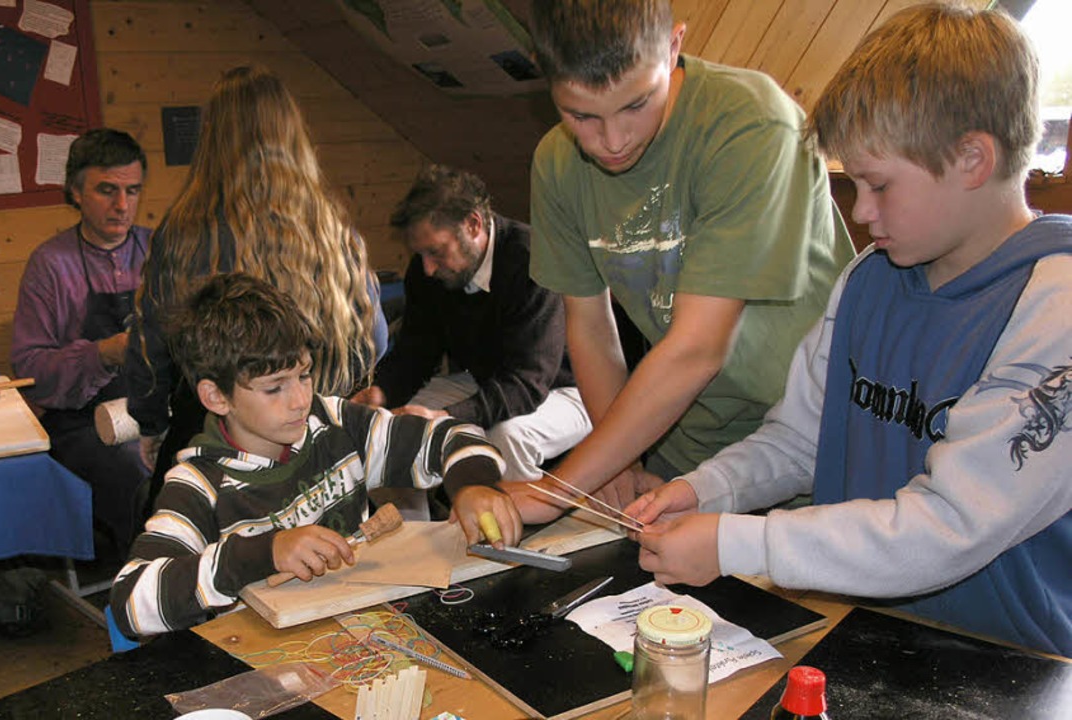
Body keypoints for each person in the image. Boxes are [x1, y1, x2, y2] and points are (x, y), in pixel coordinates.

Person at [628, 3, 1072, 657]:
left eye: (879, 185)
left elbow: (948, 525)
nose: (860, 212)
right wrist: (706, 490)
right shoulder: (869, 279)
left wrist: (735, 543)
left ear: (974, 159)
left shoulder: (1053, 307)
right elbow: (801, 439)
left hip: (1011, 661)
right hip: (855, 628)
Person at [511, 0, 854, 523]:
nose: (612, 141)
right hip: (685, 442)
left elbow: (698, 348)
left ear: (674, 47)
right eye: (581, 115)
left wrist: (554, 491)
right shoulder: (556, 164)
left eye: (636, 104)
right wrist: (617, 462)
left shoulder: (749, 123)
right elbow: (591, 327)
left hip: (810, 442)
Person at [110, 274, 521, 637]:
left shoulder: (334, 424)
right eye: (275, 388)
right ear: (217, 396)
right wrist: (264, 552)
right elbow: (130, 603)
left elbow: (453, 435)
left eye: (304, 375)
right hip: (265, 664)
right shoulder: (199, 486)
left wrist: (473, 486)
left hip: (363, 634)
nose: (300, 400)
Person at [127, 66, 388, 510]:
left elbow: (152, 349)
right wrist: (319, 391)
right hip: (318, 438)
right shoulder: (329, 226)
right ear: (293, 134)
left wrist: (150, 424)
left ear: (211, 138)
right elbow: (374, 343)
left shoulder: (184, 229)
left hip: (222, 443)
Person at [352, 164, 590, 497]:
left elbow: (527, 382)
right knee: (388, 431)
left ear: (474, 224)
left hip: (568, 389)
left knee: (508, 437)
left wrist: (447, 416)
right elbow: (416, 351)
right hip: (491, 380)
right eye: (420, 254)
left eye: (436, 252)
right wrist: (382, 392)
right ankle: (413, 538)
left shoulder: (532, 259)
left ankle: (526, 537)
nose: (427, 268)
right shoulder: (427, 272)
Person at [12, 128, 150, 548]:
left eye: (132, 190)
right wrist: (103, 354)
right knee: (138, 473)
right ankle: (155, 582)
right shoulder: (51, 265)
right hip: (80, 421)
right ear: (75, 191)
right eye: (107, 190)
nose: (122, 205)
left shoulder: (158, 250)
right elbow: (29, 370)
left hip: (152, 407)